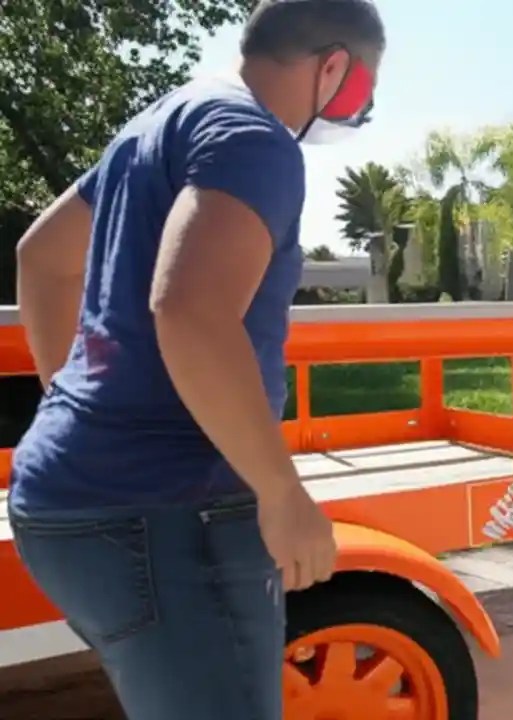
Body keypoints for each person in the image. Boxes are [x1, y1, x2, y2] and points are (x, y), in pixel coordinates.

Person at [7, 1, 384, 718]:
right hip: (170, 515)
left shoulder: (162, 122)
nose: (358, 111)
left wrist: (73, 406)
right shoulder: (255, 140)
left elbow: (41, 259)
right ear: (333, 67)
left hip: (65, 502)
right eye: (365, 94)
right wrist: (282, 491)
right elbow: (188, 310)